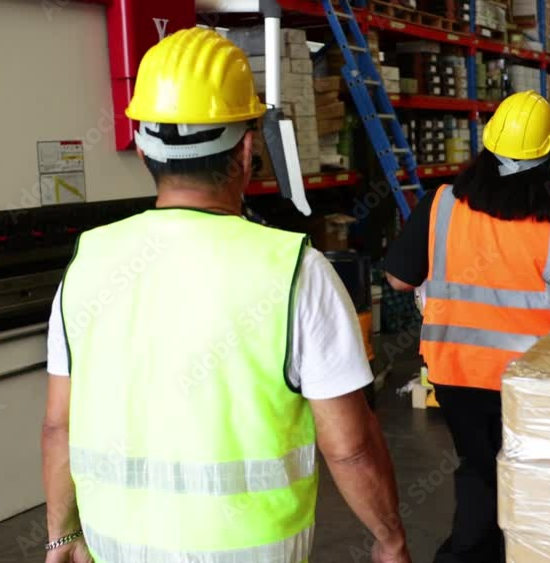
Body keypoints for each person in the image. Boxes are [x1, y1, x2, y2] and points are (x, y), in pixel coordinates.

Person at [41, 28, 410, 563]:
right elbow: (349, 446)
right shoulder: (294, 271)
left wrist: (62, 535)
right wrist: (390, 537)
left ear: (143, 149)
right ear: (247, 148)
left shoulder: (87, 263)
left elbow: (59, 425)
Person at [384, 91, 550, 563]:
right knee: (531, 474)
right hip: (532, 380)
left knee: (479, 469)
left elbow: (397, 277)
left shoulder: (442, 203)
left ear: (486, 146)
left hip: (456, 373)